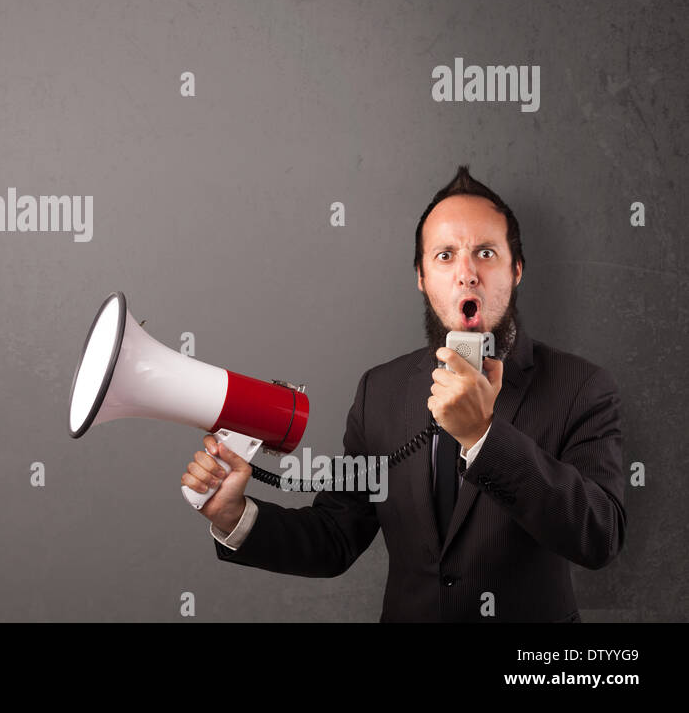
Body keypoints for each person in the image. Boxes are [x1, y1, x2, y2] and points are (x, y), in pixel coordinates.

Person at [182, 166, 626, 621]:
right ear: (421, 276)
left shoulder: (581, 387)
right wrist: (234, 515)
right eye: (445, 256)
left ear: (516, 270)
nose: (467, 274)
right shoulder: (380, 391)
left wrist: (484, 437)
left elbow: (600, 535)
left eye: (486, 253)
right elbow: (336, 535)